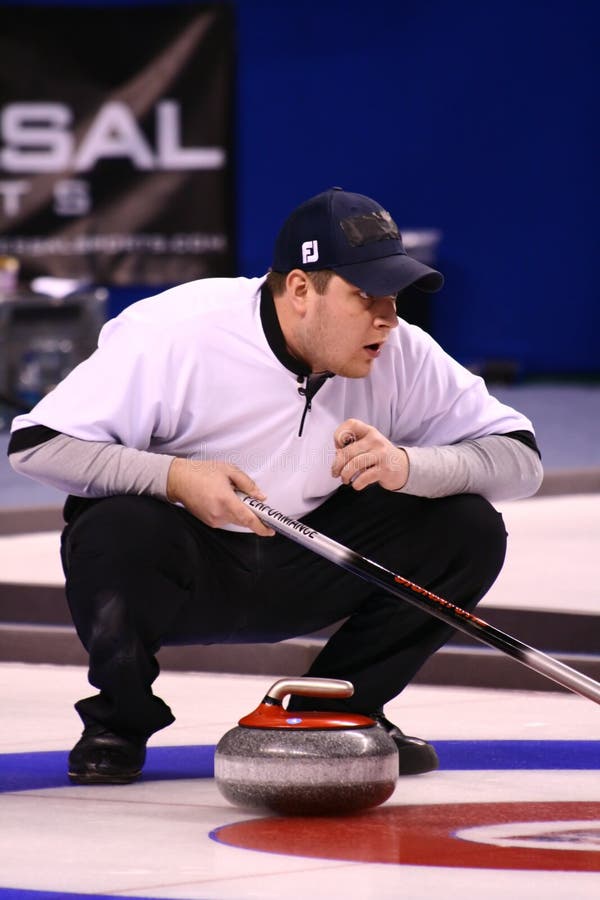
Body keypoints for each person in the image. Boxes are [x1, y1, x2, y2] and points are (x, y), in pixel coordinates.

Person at [8, 187, 543, 785]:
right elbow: (36, 446)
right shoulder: (179, 331)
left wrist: (408, 466)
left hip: (312, 558)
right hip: (188, 566)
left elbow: (521, 459)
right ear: (299, 289)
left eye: (393, 296)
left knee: (466, 526)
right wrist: (176, 477)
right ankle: (118, 722)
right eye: (366, 296)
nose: (388, 317)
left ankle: (335, 711)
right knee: (115, 525)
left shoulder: (401, 352)